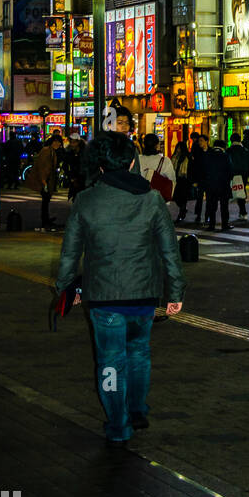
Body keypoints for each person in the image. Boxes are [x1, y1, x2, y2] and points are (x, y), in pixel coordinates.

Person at [53, 130, 185, 447]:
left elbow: (70, 252)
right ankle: (138, 408)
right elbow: (170, 251)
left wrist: (66, 289)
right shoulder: (152, 199)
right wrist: (176, 293)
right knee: (139, 352)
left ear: (99, 166)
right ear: (130, 163)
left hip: (103, 296)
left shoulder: (86, 200)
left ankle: (118, 424)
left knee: (111, 360)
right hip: (143, 295)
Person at [25, 131, 64, 230]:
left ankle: (46, 220)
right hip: (45, 180)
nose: (58, 144)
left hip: (46, 179)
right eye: (56, 142)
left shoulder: (50, 151)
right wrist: (44, 182)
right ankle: (45, 221)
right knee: (45, 200)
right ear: (52, 142)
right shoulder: (47, 151)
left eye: (59, 142)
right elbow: (43, 168)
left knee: (46, 201)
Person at [202, 140, 233, 232]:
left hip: (210, 185)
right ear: (223, 147)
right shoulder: (225, 156)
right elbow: (230, 171)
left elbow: (203, 170)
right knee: (224, 205)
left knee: (212, 205)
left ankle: (212, 225)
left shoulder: (207, 155)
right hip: (223, 185)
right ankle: (225, 224)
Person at [139, 136, 175, 206]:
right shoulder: (165, 161)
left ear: (143, 144)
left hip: (141, 198)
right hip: (159, 199)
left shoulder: (137, 159)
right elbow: (172, 179)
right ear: (157, 145)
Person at [189, 132, 210, 225]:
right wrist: (194, 180)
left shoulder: (211, 152)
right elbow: (194, 167)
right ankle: (198, 215)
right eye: (199, 141)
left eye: (201, 141)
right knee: (199, 197)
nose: (200, 143)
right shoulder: (197, 152)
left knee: (209, 198)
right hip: (200, 178)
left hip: (209, 178)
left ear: (206, 141)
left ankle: (207, 215)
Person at [228, 130, 249, 220]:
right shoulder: (244, 150)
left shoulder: (229, 150)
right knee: (241, 191)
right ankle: (243, 212)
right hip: (243, 174)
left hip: (231, 174)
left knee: (230, 192)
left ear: (231, 140)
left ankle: (227, 214)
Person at [171, 136, 192, 224]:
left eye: (180, 148)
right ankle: (183, 209)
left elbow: (189, 170)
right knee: (176, 197)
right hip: (176, 179)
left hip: (184, 180)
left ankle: (181, 213)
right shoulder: (174, 157)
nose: (178, 149)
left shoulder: (187, 157)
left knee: (182, 197)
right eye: (177, 148)